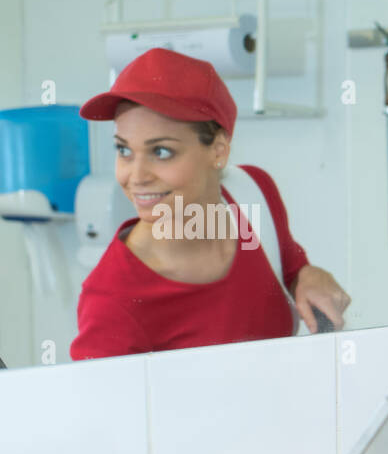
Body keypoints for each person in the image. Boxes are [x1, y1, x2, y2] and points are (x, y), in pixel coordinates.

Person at [70, 48, 349, 360]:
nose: (136, 176)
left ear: (218, 151)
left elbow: (289, 265)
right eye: (124, 150)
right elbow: (97, 407)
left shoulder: (251, 196)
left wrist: (308, 275)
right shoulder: (114, 300)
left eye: (161, 152)